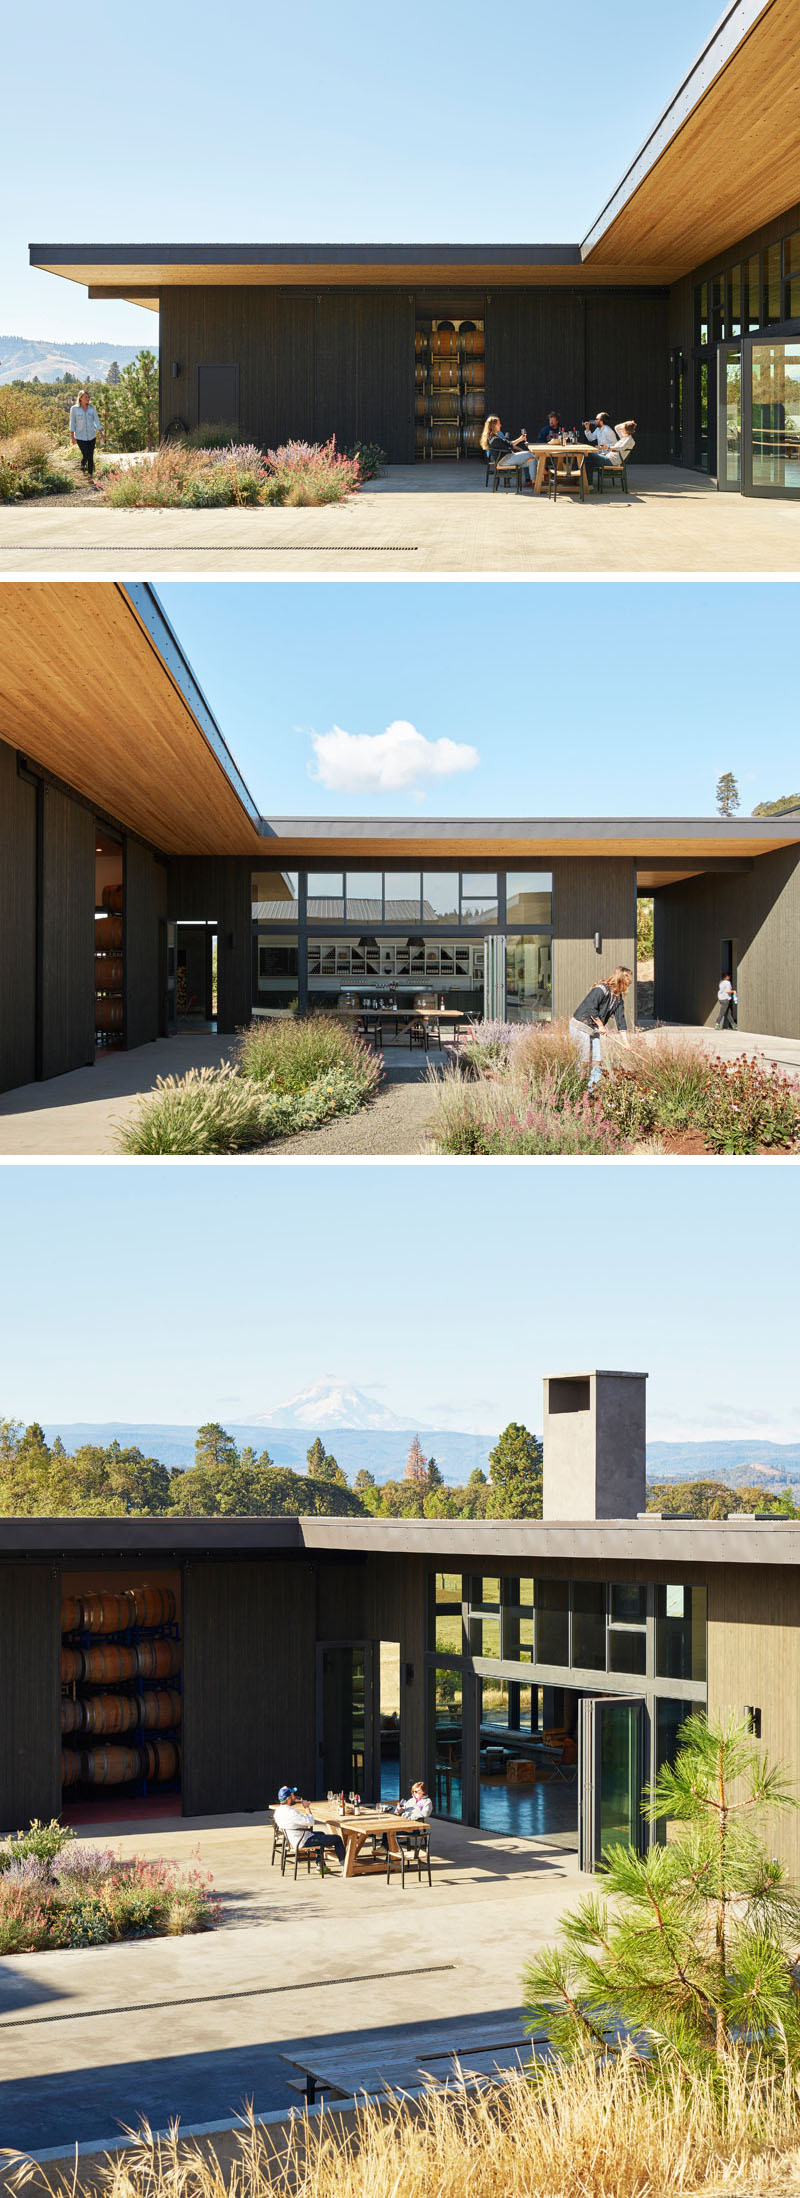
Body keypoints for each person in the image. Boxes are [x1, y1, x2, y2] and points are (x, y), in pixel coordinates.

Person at [570, 967, 634, 1089]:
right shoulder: (601, 990)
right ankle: (579, 1087)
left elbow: (621, 1020)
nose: (629, 983)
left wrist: (626, 1043)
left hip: (593, 1029)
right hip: (580, 1026)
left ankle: (593, 1089)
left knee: (597, 1059)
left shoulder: (618, 999)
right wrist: (600, 1025)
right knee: (584, 1059)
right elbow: (590, 1008)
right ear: (620, 980)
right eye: (628, 980)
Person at [273, 1784, 345, 1873]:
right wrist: (307, 1808)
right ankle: (346, 1867)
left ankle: (320, 1865)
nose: (295, 1796)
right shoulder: (291, 1812)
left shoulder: (278, 1811)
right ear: (288, 1798)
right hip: (302, 1841)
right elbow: (311, 1822)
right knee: (337, 1839)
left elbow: (300, 1822)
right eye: (292, 1795)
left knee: (321, 1834)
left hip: (292, 1839)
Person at [480, 415, 534, 486]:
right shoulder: (494, 439)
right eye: (499, 424)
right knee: (531, 454)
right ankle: (545, 475)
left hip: (508, 458)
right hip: (505, 460)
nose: (500, 425)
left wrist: (520, 439)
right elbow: (508, 447)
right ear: (494, 426)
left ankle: (534, 482)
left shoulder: (494, 437)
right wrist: (515, 450)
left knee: (532, 460)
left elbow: (509, 444)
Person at [69, 390, 103, 483]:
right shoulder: (74, 409)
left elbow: (97, 421)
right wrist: (72, 437)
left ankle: (90, 476)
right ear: (80, 398)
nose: (88, 399)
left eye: (88, 397)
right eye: (86, 397)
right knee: (86, 455)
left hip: (92, 436)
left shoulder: (92, 408)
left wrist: (101, 434)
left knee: (91, 456)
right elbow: (72, 423)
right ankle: (81, 466)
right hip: (80, 436)